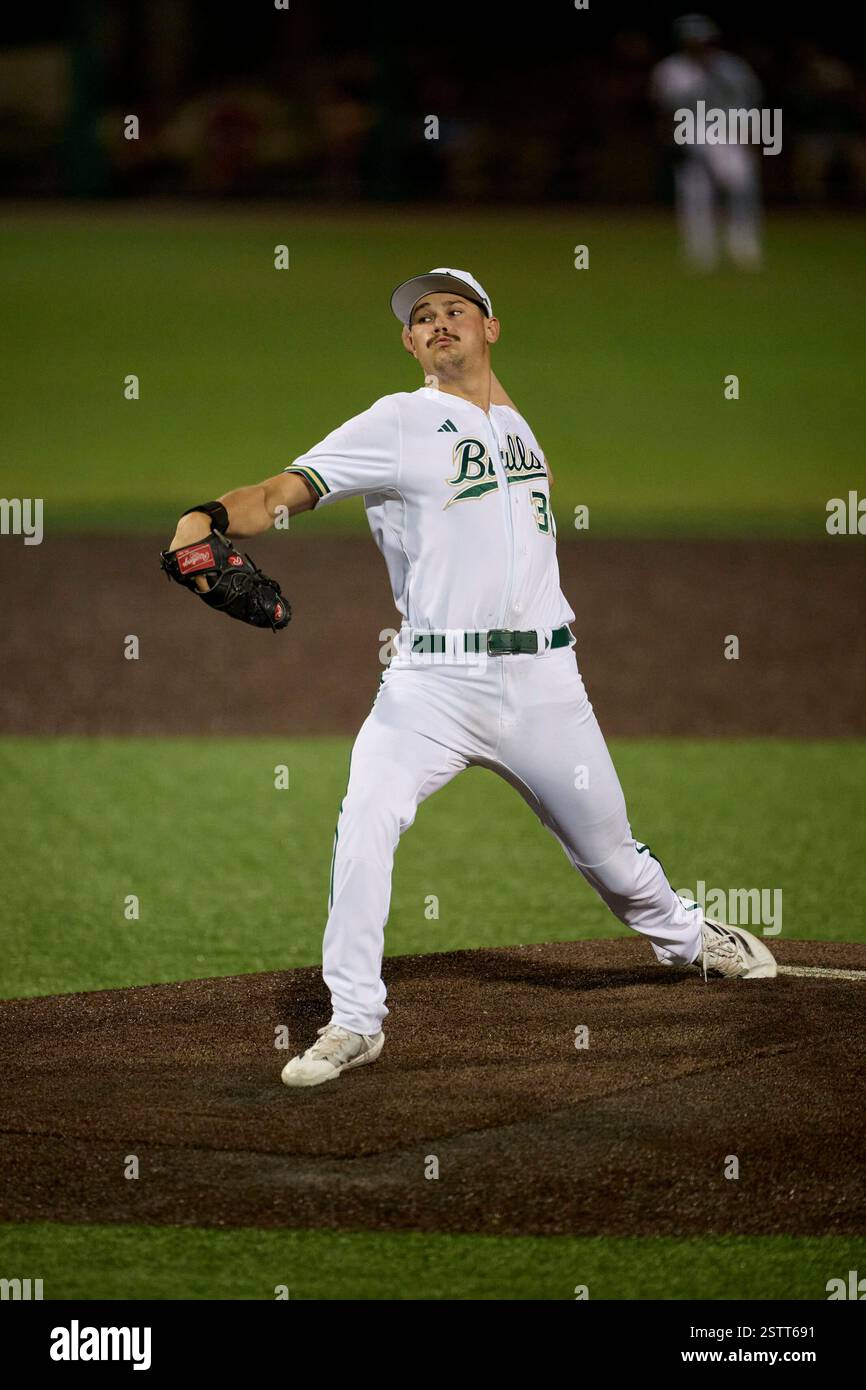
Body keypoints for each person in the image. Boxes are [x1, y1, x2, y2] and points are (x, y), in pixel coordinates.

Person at [166, 267, 777, 1089]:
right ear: (409, 343)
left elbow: (500, 448)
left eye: (456, 309)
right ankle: (354, 1019)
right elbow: (283, 491)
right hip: (432, 682)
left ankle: (686, 936)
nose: (438, 322)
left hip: (546, 681)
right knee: (367, 816)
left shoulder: (517, 426)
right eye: (422, 317)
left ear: (491, 328)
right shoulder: (396, 420)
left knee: (612, 857)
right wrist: (204, 517)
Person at [651, 14, 764, 270]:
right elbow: (666, 108)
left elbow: (749, 101)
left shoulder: (732, 67)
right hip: (691, 131)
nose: (698, 45)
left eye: (702, 40)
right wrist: (670, 139)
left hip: (730, 131)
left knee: (740, 187)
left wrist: (750, 132)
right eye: (692, 40)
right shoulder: (672, 69)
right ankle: (700, 249)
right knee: (696, 192)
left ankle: (743, 245)